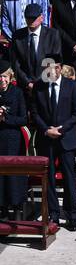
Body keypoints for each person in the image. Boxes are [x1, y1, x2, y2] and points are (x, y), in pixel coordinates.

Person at [31, 61, 76, 232]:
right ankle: (53, 213)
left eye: (54, 68)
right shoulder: (39, 86)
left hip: (66, 138)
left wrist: (61, 129)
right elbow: (35, 112)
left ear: (60, 69)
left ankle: (72, 215)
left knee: (69, 178)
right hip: (47, 139)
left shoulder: (71, 85)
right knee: (50, 179)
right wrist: (46, 130)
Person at [0, 64, 27, 220]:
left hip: (13, 139)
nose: (2, 80)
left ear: (10, 78)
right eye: (0, 77)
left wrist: (5, 118)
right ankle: (2, 208)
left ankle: (17, 208)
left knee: (14, 175)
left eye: (4, 76)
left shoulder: (17, 93)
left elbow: (23, 118)